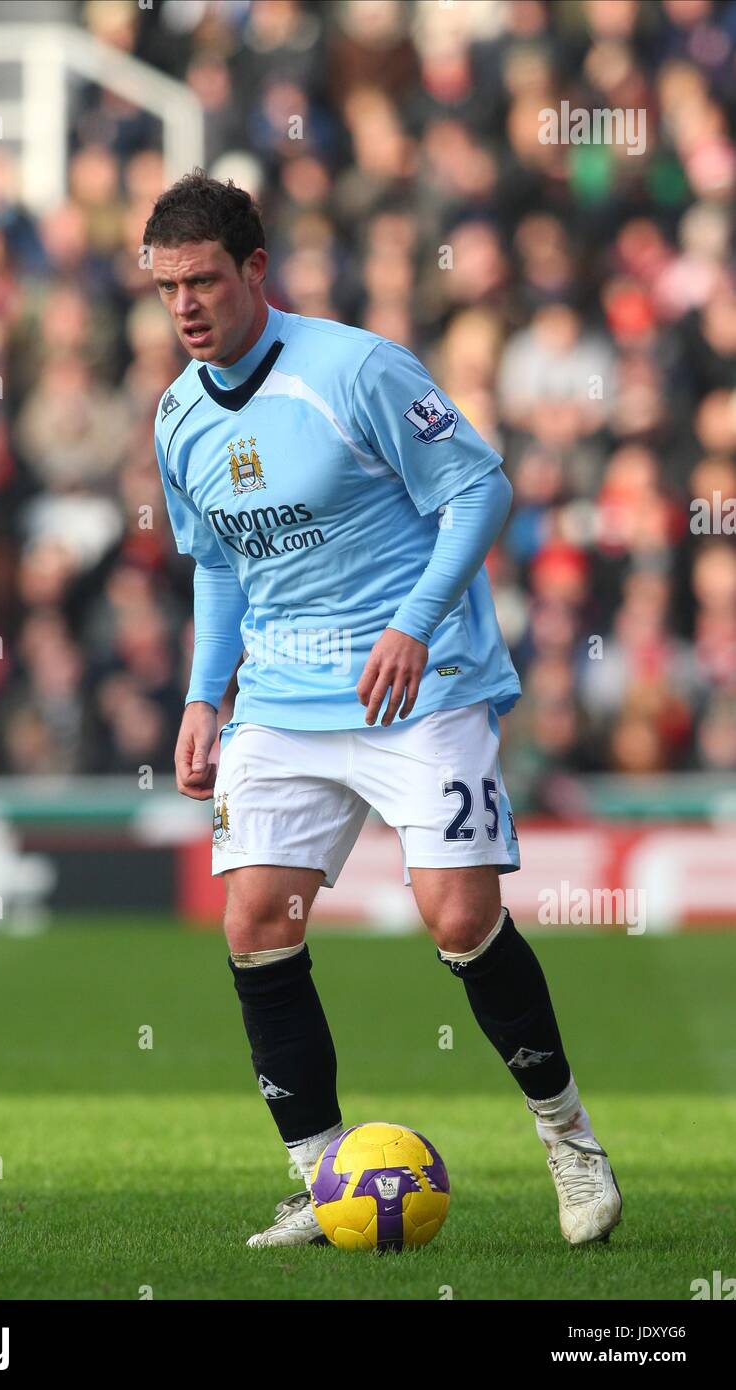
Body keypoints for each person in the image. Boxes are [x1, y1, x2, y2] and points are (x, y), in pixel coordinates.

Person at [148, 170, 621, 1249]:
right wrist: (200, 694)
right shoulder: (176, 416)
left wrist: (412, 620)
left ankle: (568, 1141)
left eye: (204, 280)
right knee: (254, 922)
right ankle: (321, 1183)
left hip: (419, 683)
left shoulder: (356, 369)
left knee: (457, 917)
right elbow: (218, 566)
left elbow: (481, 487)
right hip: (278, 694)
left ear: (254, 271)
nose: (184, 305)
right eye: (166, 285)